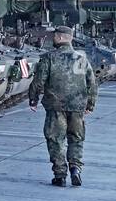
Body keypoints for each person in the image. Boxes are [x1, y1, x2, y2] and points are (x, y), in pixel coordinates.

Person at [28, 25, 98, 187]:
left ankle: (60, 175)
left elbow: (39, 81)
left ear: (59, 37)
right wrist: (90, 104)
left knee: (55, 139)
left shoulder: (49, 57)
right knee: (76, 138)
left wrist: (33, 99)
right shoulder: (81, 58)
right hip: (77, 106)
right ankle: (75, 169)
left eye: (54, 36)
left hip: (55, 106)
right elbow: (92, 83)